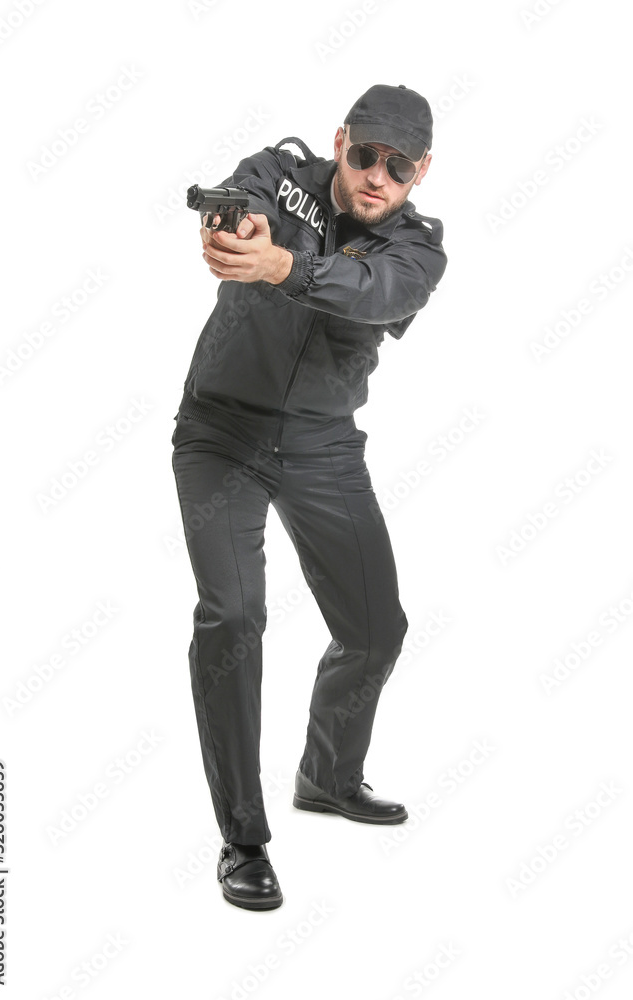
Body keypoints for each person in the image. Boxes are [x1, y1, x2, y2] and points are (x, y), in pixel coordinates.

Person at [171, 84, 447, 911]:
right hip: (221, 433)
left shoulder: (416, 248)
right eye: (364, 155)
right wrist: (236, 230)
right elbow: (244, 201)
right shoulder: (280, 172)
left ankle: (327, 775)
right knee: (232, 618)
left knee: (376, 629)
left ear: (421, 172)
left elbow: (378, 292)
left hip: (323, 446)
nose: (377, 176)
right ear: (339, 142)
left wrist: (284, 266)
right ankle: (243, 838)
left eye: (398, 167)